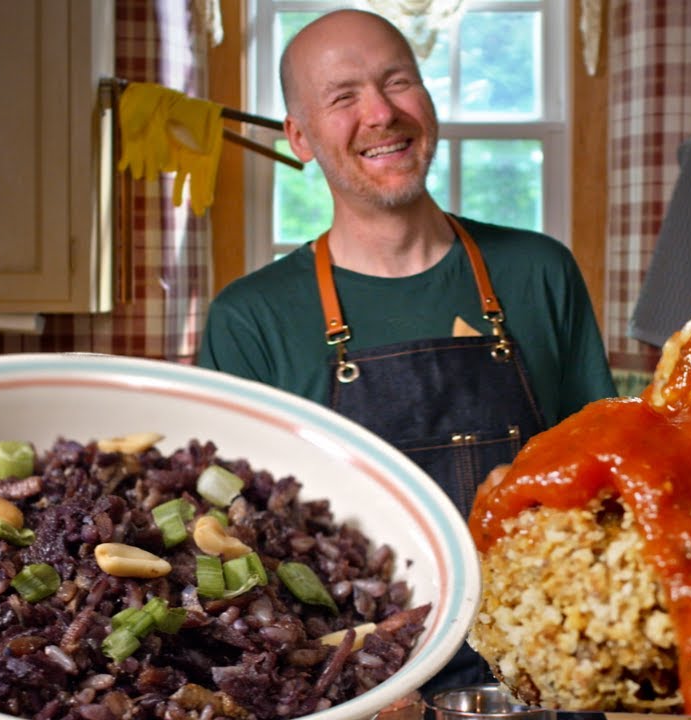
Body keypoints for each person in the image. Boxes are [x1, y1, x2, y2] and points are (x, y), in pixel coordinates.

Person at [196, 8, 617, 693]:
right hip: (353, 688)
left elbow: (607, 487)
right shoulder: (251, 318)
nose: (382, 114)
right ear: (300, 138)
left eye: (399, 83)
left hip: (543, 678)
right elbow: (235, 554)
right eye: (344, 97)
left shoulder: (539, 271)